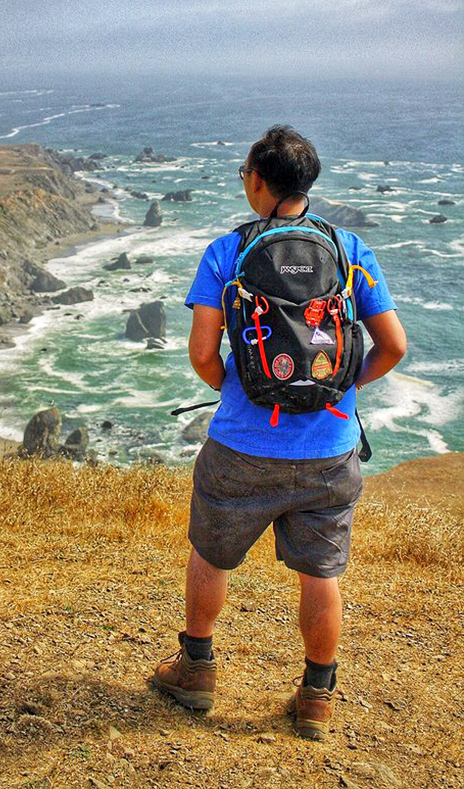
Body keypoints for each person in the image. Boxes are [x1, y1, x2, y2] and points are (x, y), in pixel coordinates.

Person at [151, 125, 407, 740]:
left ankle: (196, 670)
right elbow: (393, 346)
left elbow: (204, 354)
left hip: (242, 442)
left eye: (245, 174)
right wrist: (339, 390)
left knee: (212, 554)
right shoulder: (348, 250)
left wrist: (234, 392)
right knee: (321, 574)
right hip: (330, 449)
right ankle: (317, 696)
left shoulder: (226, 252)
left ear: (258, 183)